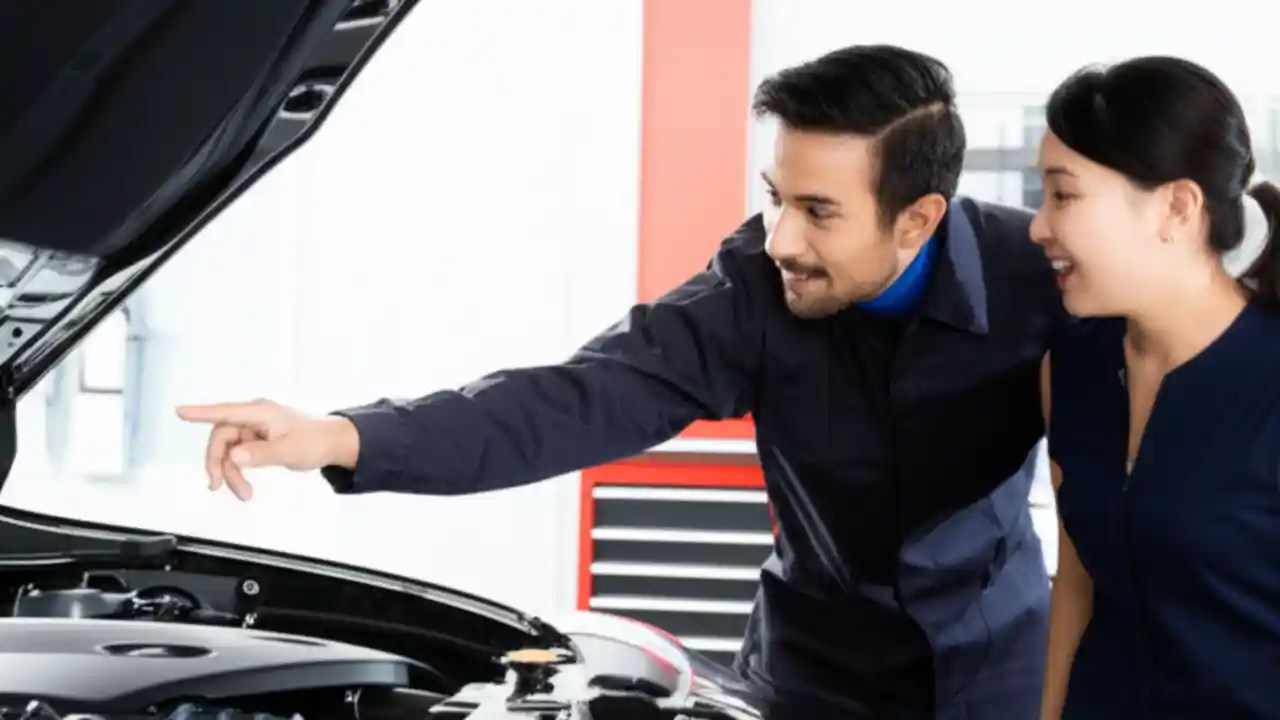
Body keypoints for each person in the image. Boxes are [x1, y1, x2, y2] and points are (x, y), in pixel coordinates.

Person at [178, 45, 1065, 718]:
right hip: (808, 679)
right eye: (777, 198)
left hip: (995, 676)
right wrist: (342, 435)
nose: (784, 238)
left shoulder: (1038, 281)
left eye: (820, 213)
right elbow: (579, 399)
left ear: (918, 219)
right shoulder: (755, 286)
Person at [1030, 56, 1280, 718]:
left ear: (1176, 206)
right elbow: (1077, 582)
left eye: (1064, 195)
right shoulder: (1073, 365)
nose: (1038, 226)